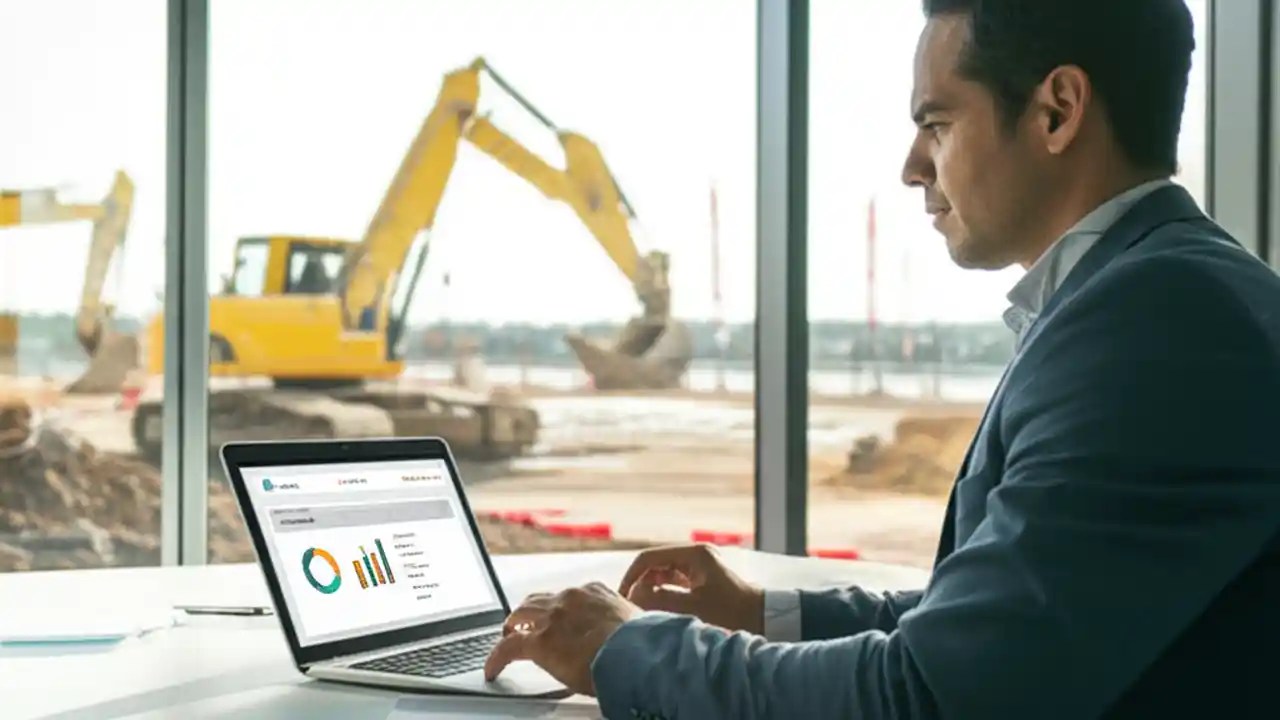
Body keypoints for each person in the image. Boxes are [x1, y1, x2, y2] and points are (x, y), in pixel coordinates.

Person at [484, 0, 1280, 717]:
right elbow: (997, 623)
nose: (912, 166)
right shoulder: (1150, 294)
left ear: (1057, 111)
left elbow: (932, 694)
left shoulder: (1157, 323)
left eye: (937, 123)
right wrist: (760, 612)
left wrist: (626, 650)